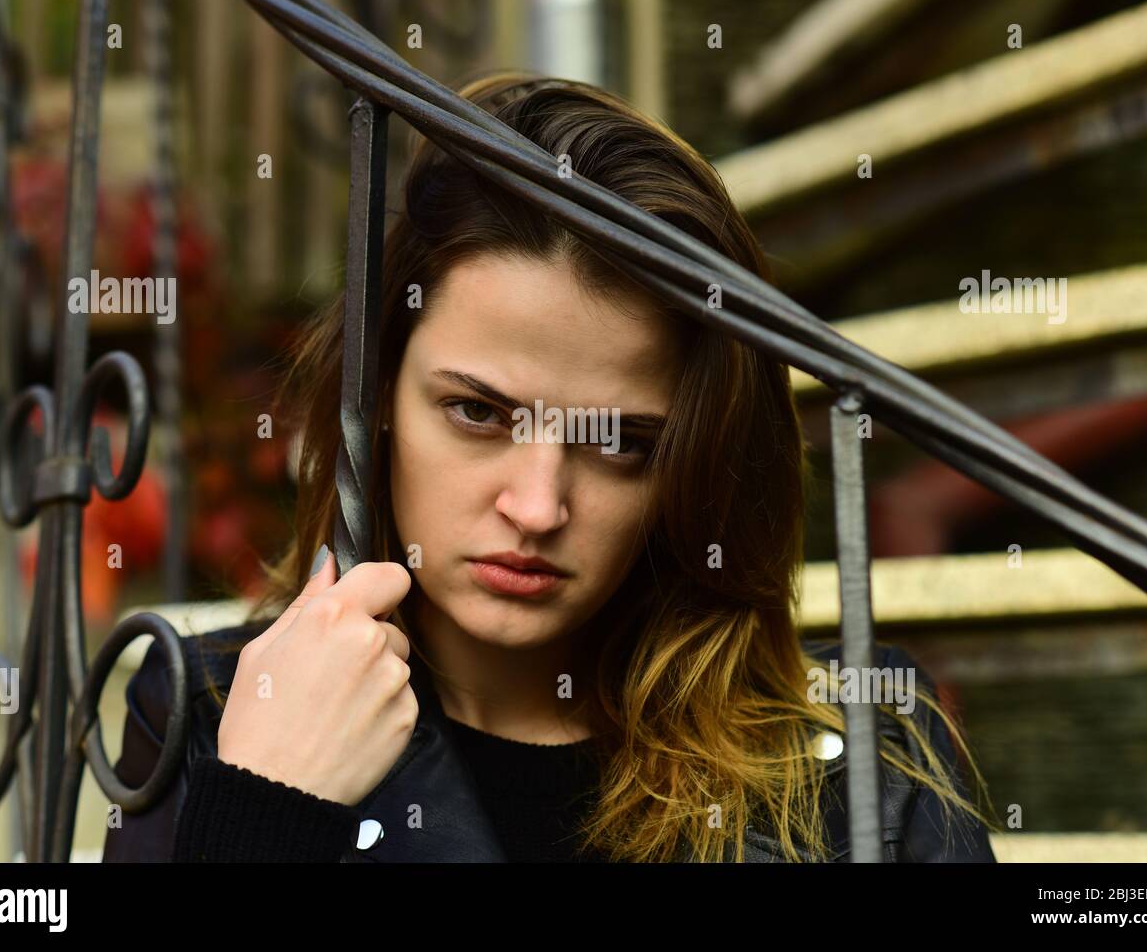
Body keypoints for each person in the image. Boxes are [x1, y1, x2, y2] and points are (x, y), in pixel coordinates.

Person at [103, 72, 999, 863]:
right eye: (479, 412)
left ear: (690, 460)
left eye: (617, 442)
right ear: (374, 400)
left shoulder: (866, 751)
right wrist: (266, 810)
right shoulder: (217, 711)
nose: (536, 506)